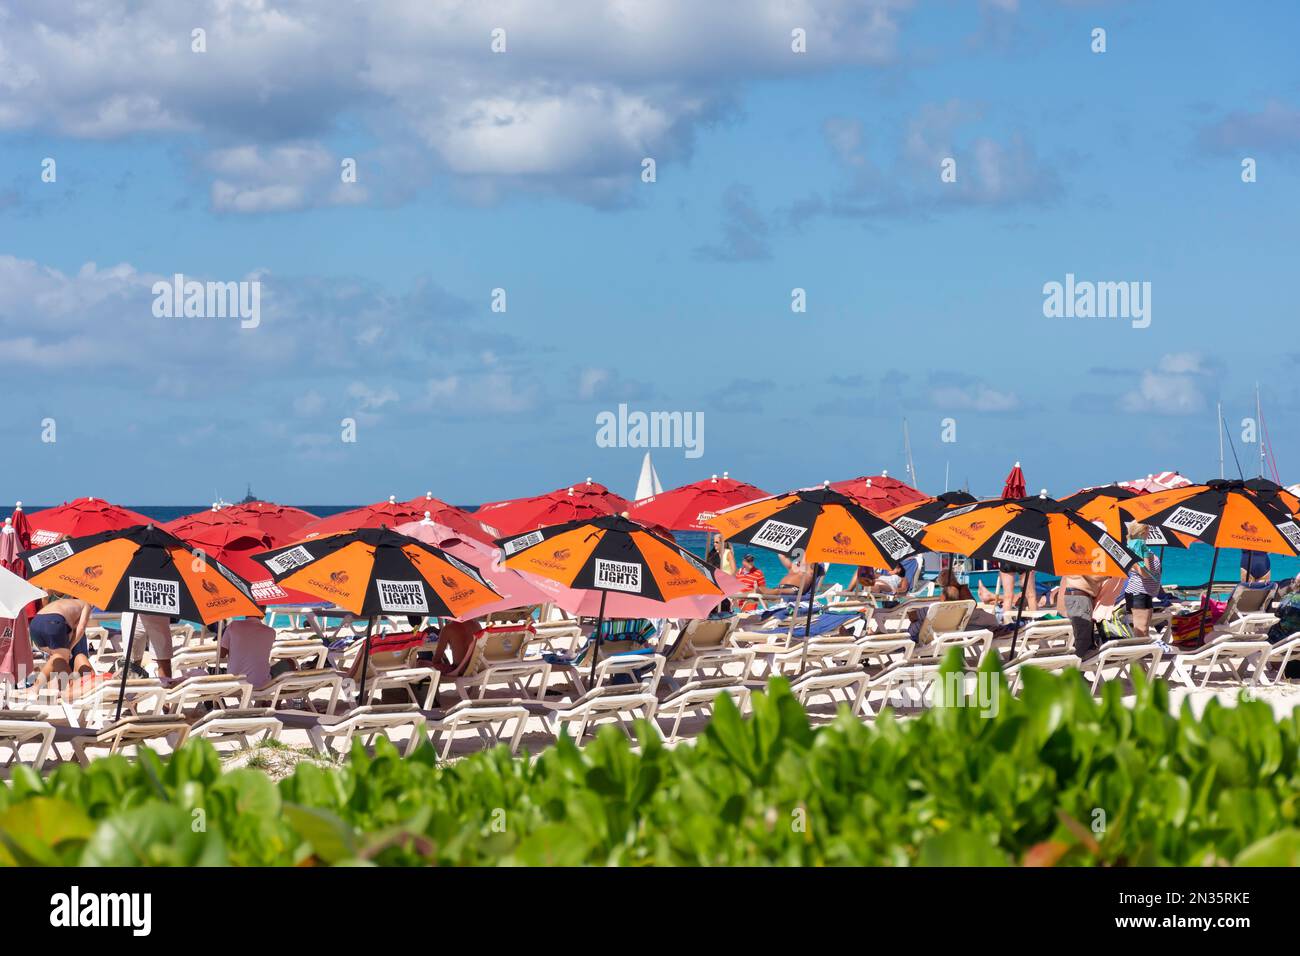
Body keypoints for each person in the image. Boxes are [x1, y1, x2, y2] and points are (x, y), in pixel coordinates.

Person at [29, 595, 100, 693]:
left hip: (35, 623)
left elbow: (70, 628)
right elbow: (81, 628)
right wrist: (70, 648)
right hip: (53, 622)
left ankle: (47, 687)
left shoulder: (70, 603)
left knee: (58, 658)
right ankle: (39, 687)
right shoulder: (86, 604)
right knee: (60, 658)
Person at [219, 615, 286, 688]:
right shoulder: (271, 632)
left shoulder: (233, 626)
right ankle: (274, 699)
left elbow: (221, 654)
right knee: (290, 662)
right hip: (261, 684)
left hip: (234, 683)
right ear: (263, 614)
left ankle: (266, 699)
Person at [1122, 521, 1162, 637]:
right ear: (1143, 531)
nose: (1149, 533)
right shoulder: (1139, 546)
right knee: (1141, 630)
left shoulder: (1133, 545)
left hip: (1144, 592)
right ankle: (1139, 653)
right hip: (1139, 592)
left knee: (1143, 629)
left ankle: (1143, 653)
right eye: (1148, 530)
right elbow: (1145, 573)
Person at [1056, 572, 1108, 656]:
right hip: (1079, 598)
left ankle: (1079, 663)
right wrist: (1109, 575)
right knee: (1083, 640)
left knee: (1084, 638)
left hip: (1078, 597)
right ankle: (1077, 666)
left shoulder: (1076, 561)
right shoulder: (1081, 561)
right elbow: (1093, 577)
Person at [119, 612, 176, 681]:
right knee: (132, 661)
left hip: (159, 611)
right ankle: (133, 689)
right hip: (133, 612)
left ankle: (167, 688)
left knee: (164, 661)